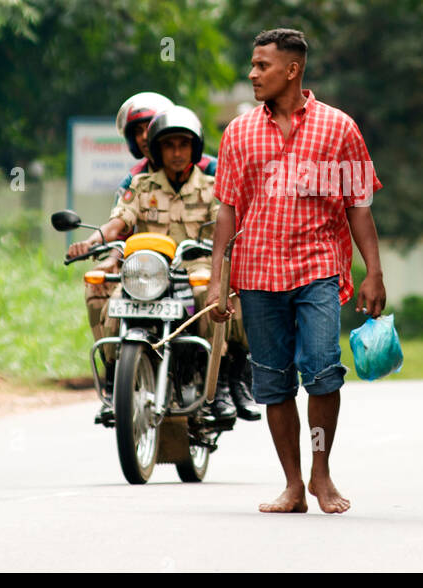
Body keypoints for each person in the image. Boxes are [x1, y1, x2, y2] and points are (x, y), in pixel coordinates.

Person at [209, 28, 386, 514]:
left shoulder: (339, 128)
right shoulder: (238, 133)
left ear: (292, 70)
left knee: (324, 372)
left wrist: (374, 271)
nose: (252, 74)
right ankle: (292, 484)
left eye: (262, 65)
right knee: (272, 381)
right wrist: (216, 279)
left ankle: (320, 474)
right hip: (257, 274)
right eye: (252, 64)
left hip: (318, 271)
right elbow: (227, 210)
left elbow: (358, 206)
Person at [69, 106, 251, 421]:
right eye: (169, 145)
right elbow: (120, 221)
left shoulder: (212, 187)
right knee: (101, 291)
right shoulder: (141, 187)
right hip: (148, 272)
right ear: (157, 150)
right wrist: (93, 240)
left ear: (194, 148)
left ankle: (218, 383)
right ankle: (114, 376)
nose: (177, 152)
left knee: (209, 295)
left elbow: (226, 226)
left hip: (197, 267)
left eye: (183, 144)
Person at [114, 91, 217, 204]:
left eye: (150, 127)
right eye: (138, 131)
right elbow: (119, 218)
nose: (144, 136)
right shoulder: (132, 182)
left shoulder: (211, 169)